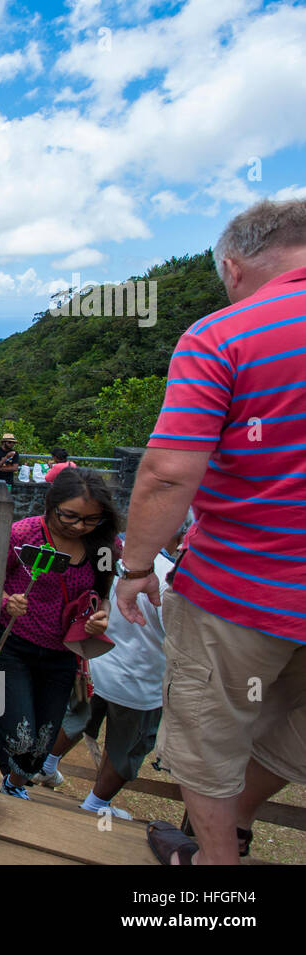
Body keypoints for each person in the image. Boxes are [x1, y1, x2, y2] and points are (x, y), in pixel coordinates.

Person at [115, 198, 306, 866]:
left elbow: (168, 471)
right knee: (289, 727)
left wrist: (137, 566)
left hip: (242, 591)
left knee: (206, 735)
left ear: (234, 264)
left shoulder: (226, 334)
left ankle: (217, 871)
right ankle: (239, 824)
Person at [32, 512, 193, 821]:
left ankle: (45, 765)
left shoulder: (109, 555)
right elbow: (180, 638)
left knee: (74, 717)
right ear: (177, 537)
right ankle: (94, 804)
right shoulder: (170, 577)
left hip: (93, 664)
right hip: (139, 684)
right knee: (127, 746)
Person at [0, 468, 120, 800]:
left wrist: (101, 617)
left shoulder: (104, 545)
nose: (78, 526)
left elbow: (102, 595)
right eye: (69, 516)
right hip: (15, 643)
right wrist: (6, 601)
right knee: (19, 733)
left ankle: (13, 784)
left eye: (90, 520)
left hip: (63, 653)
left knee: (41, 744)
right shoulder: (23, 534)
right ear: (51, 504)